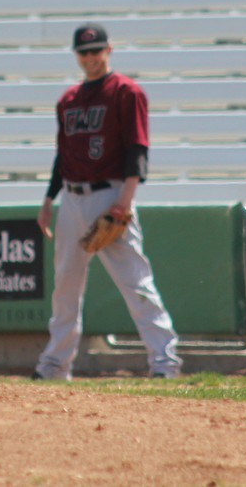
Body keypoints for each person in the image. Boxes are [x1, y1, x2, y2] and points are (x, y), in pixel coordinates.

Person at [32, 23, 182, 382]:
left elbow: (137, 148)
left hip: (112, 194)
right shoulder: (67, 100)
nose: (90, 57)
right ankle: (55, 365)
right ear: (76, 55)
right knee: (66, 287)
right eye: (84, 52)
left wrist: (126, 200)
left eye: (96, 50)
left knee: (136, 282)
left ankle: (165, 363)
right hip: (73, 196)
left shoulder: (127, 92)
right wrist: (48, 200)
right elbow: (62, 154)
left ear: (109, 51)